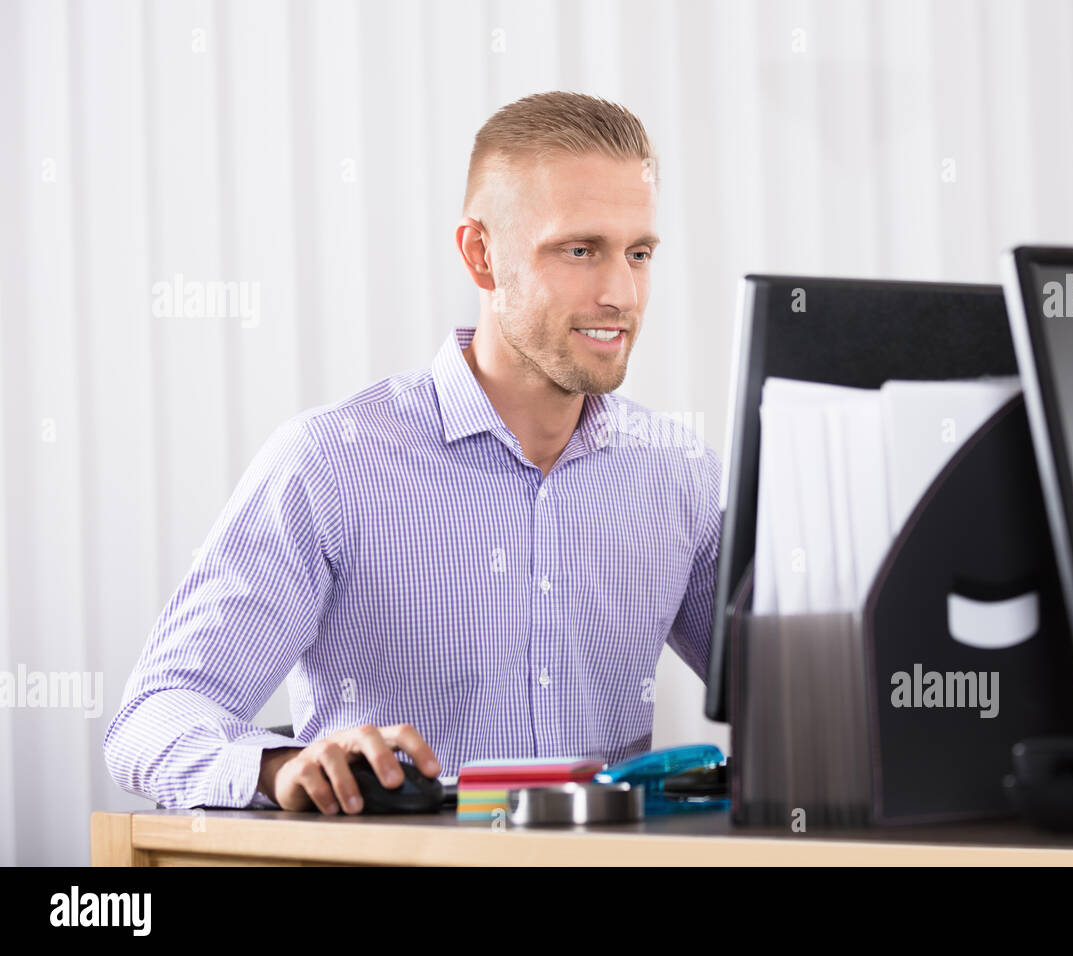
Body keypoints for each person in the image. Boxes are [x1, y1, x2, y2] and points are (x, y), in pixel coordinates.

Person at [103, 91, 721, 814]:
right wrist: (281, 766)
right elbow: (151, 720)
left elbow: (803, 705)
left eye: (638, 253)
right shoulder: (331, 465)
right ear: (480, 254)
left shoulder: (679, 474)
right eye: (579, 251)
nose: (621, 293)